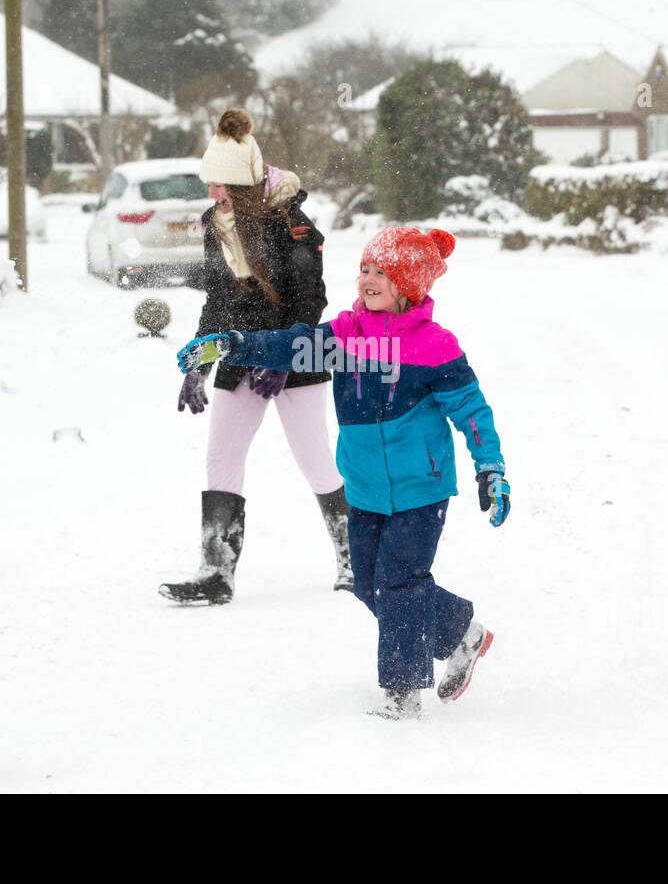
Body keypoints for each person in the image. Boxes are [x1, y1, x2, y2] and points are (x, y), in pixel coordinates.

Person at [177, 226, 509, 719]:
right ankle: (463, 632)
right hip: (366, 486)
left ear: (409, 284)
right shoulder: (342, 338)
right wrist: (233, 344)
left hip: (421, 487)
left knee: (399, 581)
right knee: (367, 582)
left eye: (383, 272)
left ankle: (401, 694)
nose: (368, 279)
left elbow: (470, 407)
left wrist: (490, 467)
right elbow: (290, 346)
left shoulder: (434, 345)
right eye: (366, 269)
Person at [162, 107, 352, 605]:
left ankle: (355, 559)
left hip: (296, 356)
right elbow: (217, 303)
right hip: (241, 354)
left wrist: (284, 356)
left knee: (316, 461)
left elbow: (311, 302)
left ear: (243, 186)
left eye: (221, 185)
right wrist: (199, 363)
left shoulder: (292, 224)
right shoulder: (215, 226)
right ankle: (215, 573)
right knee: (221, 458)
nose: (212, 194)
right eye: (209, 184)